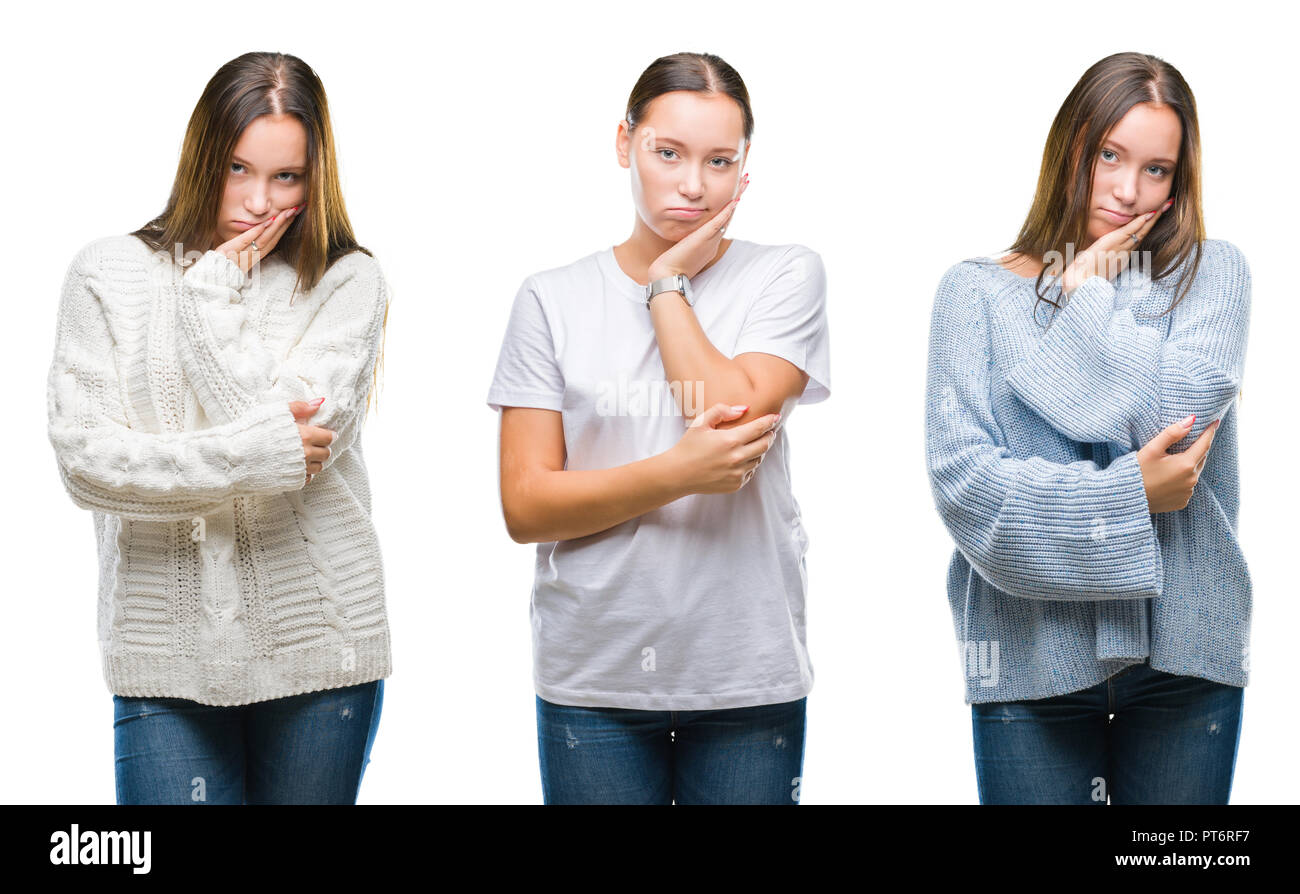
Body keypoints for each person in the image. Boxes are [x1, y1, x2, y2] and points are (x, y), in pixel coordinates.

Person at [46, 51, 391, 804]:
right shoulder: (108, 274)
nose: (257, 202)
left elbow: (307, 454)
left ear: (314, 177)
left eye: (286, 178)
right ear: (204, 156)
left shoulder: (345, 281)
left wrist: (209, 303)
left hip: (321, 652)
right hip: (163, 659)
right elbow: (85, 463)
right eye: (238, 169)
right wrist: (260, 454)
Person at [487, 51, 831, 804]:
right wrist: (677, 472)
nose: (692, 184)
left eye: (719, 161)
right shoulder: (551, 298)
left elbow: (728, 412)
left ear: (744, 171)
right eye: (666, 153)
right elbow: (526, 504)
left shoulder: (785, 275)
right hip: (595, 674)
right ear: (624, 144)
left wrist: (666, 284)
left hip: (745, 671)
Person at [924, 51, 1250, 804]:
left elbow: (1182, 416)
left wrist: (1084, 296)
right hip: (1028, 660)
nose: (1128, 189)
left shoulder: (1214, 274)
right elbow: (970, 490)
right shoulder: (973, 294)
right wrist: (1130, 494)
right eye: (1110, 154)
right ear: (1072, 143)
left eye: (1157, 169)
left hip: (1187, 657)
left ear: (1179, 181)